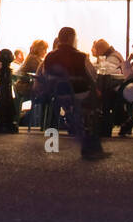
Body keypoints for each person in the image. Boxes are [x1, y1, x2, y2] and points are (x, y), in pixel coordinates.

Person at [41, 26, 108, 160]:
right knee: (98, 96)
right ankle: (92, 140)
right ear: (71, 38)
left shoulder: (49, 56)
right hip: (79, 93)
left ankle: (51, 144)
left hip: (57, 94)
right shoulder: (81, 56)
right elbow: (93, 75)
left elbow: (44, 75)